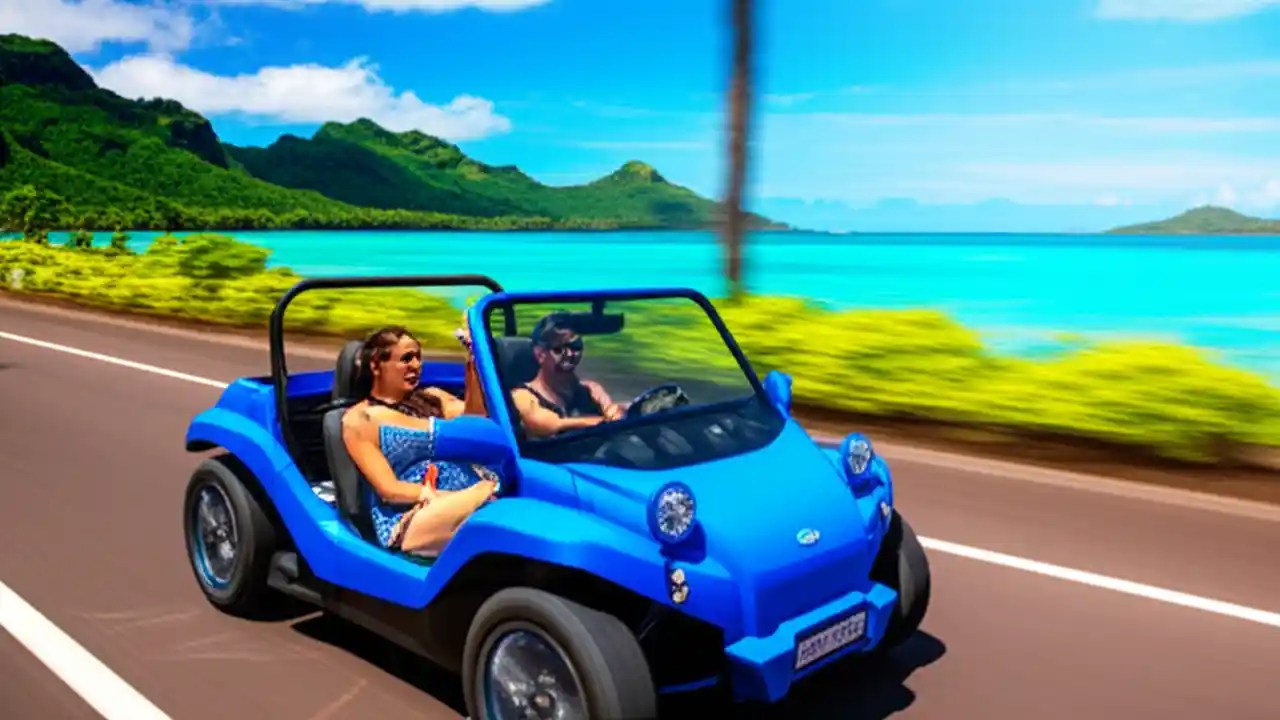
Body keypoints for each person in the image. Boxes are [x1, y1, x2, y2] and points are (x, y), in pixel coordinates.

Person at [341, 325, 501, 557]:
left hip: (470, 491)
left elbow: (474, 424)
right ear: (376, 365)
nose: (416, 365)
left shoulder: (433, 397)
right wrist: (444, 496)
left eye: (418, 358)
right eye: (406, 359)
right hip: (414, 511)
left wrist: (473, 363)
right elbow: (390, 490)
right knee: (490, 513)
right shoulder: (359, 419)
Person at [510, 313, 625, 438]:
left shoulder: (591, 390)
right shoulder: (522, 396)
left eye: (576, 347)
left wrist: (618, 412)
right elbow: (548, 425)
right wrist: (603, 422)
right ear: (540, 354)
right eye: (560, 349)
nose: (570, 354)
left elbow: (613, 412)